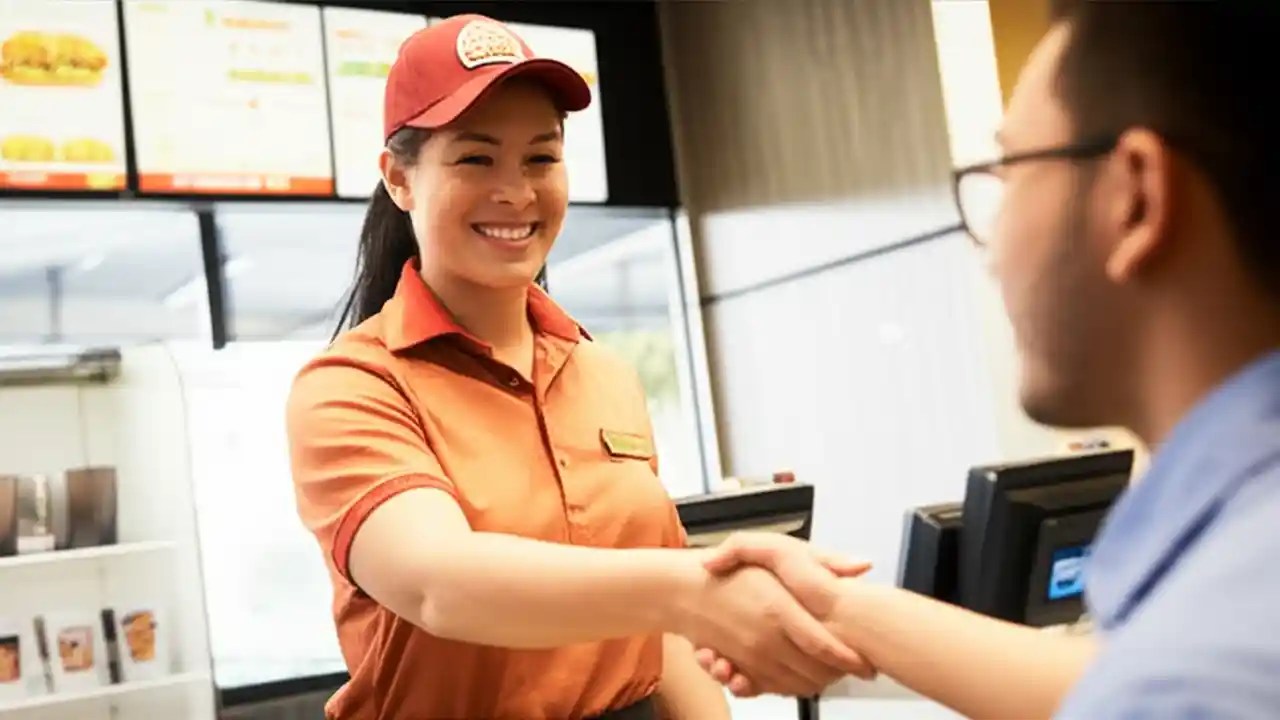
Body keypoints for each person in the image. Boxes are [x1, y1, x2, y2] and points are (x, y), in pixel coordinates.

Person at [694, 2, 1280, 718]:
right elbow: (1109, 676)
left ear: (1135, 198)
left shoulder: (1200, 677)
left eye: (1007, 175)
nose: (993, 249)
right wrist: (841, 610)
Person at [285, 15, 870, 720]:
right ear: (400, 179)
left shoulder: (605, 375)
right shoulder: (353, 387)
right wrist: (693, 585)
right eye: (476, 160)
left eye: (541, 158)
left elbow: (660, 642)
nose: (517, 191)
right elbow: (442, 585)